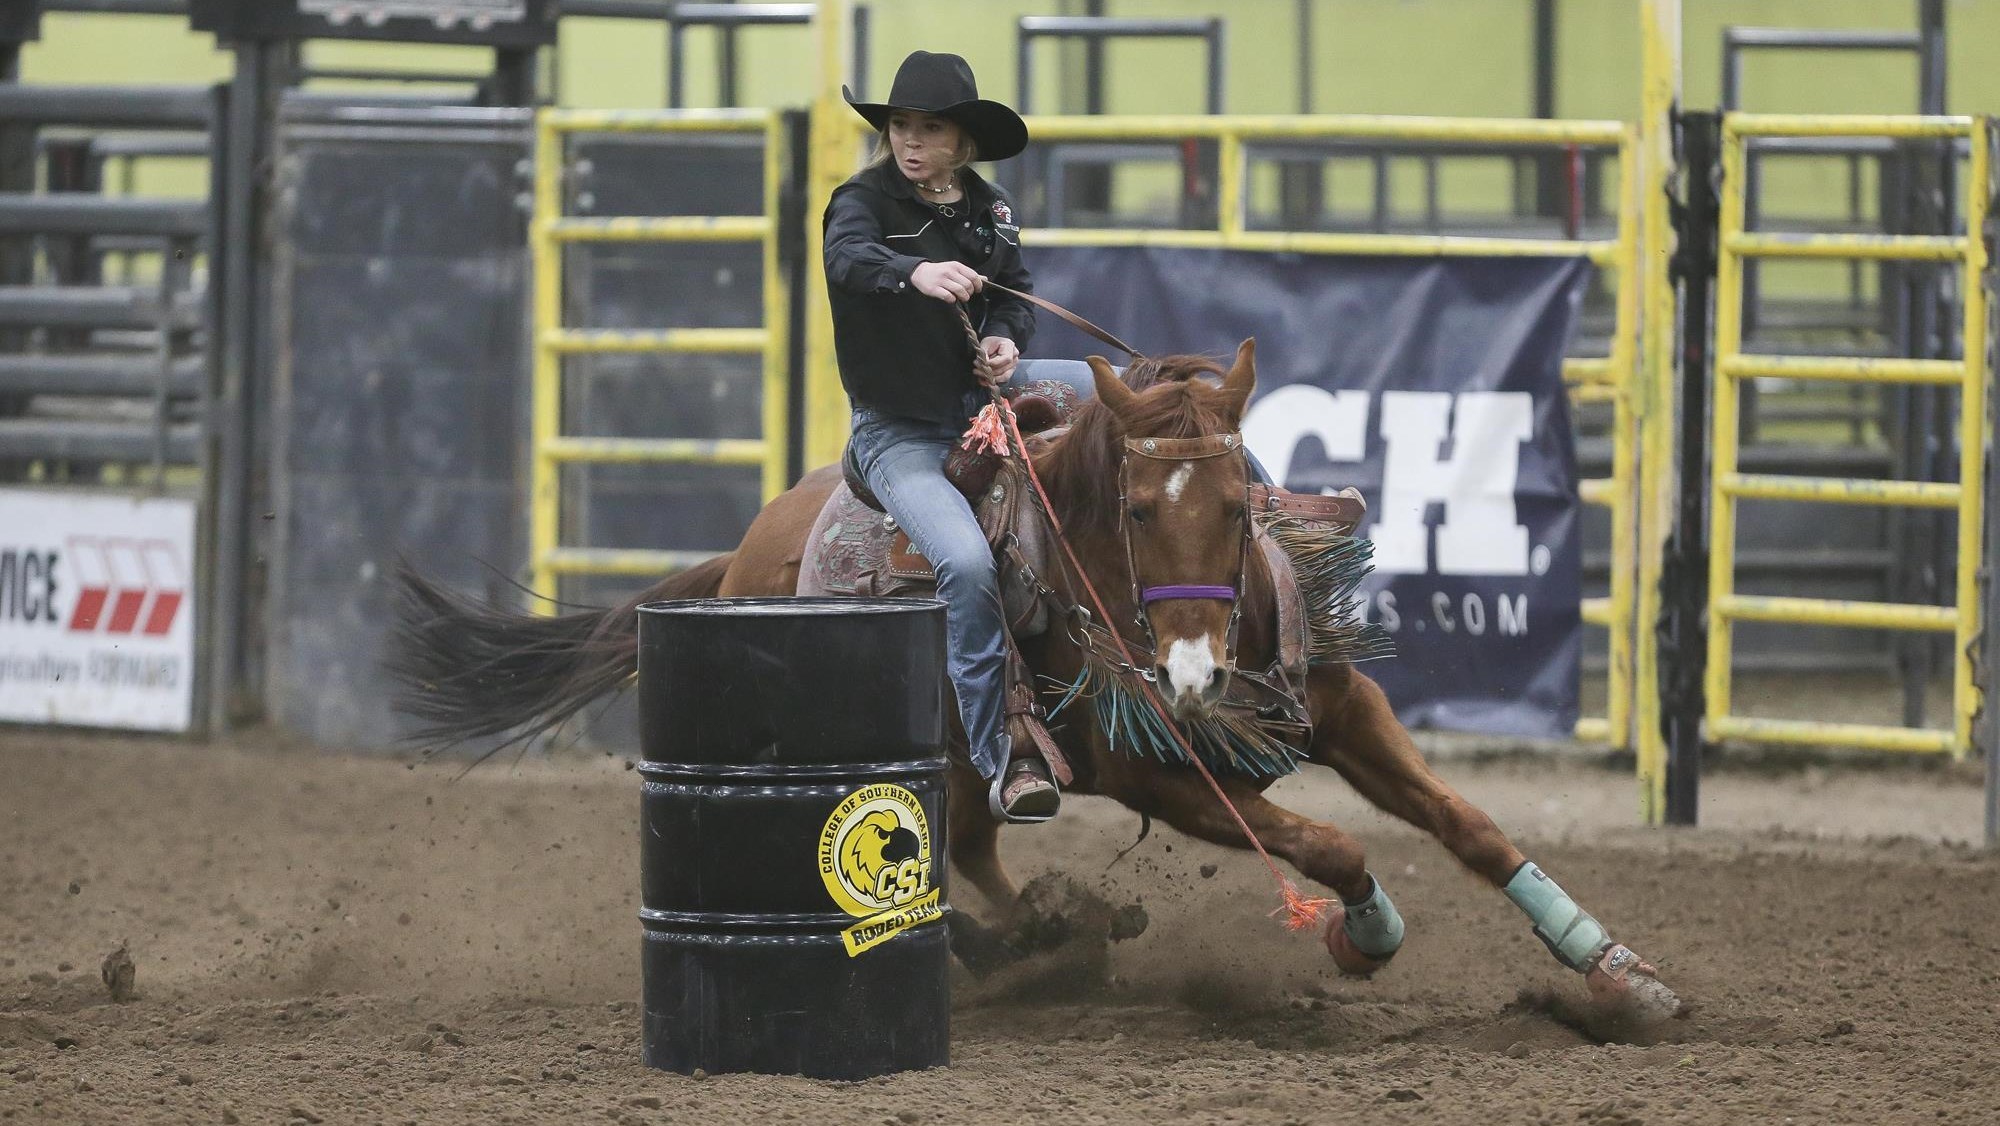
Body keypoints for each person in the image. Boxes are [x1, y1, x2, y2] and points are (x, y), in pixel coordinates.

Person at [823, 50, 1058, 823]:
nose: (911, 142)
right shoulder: (860, 201)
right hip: (899, 432)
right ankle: (998, 760)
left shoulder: (989, 210)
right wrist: (914, 273)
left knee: (1133, 401)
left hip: (983, 401)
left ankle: (1262, 510)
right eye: (900, 126)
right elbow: (848, 259)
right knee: (962, 560)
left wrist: (1006, 341)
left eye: (929, 128)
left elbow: (1016, 293)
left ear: (962, 143)